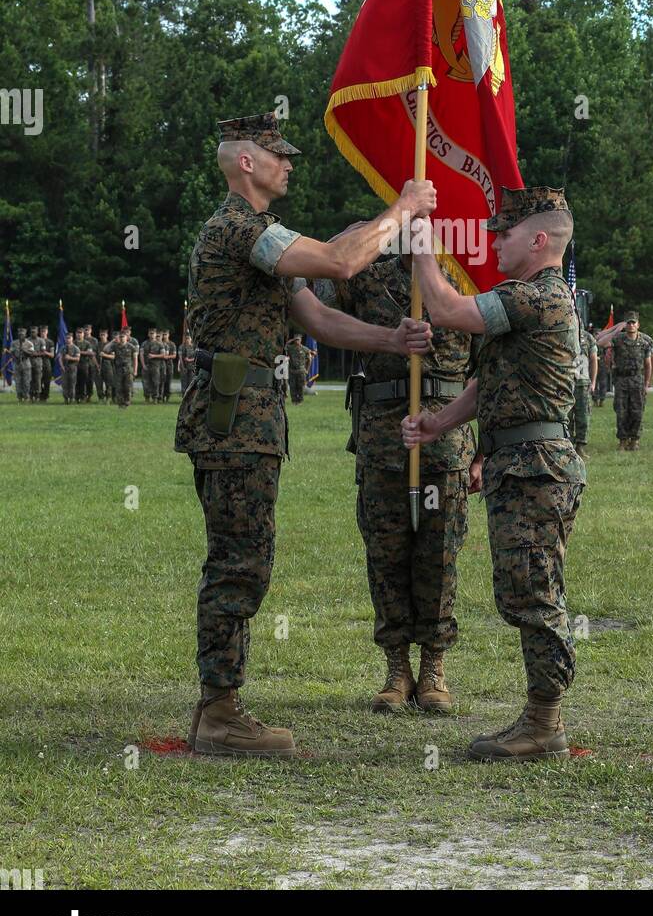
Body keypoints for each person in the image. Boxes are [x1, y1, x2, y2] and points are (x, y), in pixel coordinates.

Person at [175, 111, 436, 759]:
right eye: (277, 155)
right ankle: (220, 711)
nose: (289, 164)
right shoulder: (243, 229)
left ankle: (222, 704)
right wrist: (402, 209)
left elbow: (314, 315)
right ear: (245, 163)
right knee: (238, 561)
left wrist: (388, 338)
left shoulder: (258, 236)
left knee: (246, 558)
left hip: (247, 409)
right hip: (236, 409)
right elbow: (343, 263)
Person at [402, 186, 584, 762]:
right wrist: (439, 422)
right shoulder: (527, 300)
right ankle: (538, 717)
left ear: (538, 240)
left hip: (536, 468)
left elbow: (449, 310)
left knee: (534, 592)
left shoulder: (541, 297)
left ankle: (544, 723)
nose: (492, 243)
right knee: (522, 590)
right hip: (520, 464)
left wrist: (421, 241)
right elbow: (493, 383)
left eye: (503, 234)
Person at [317, 244, 477, 715]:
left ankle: (434, 667)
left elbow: (490, 370)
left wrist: (482, 452)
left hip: (445, 441)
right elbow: (318, 298)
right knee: (385, 555)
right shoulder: (367, 275)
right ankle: (396, 667)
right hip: (382, 438)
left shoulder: (463, 279)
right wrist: (353, 239)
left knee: (439, 554)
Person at [597, 311, 653, 451]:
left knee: (637, 411)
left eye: (633, 322)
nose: (631, 325)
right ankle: (622, 440)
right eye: (628, 323)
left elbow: (648, 365)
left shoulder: (644, 342)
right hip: (621, 379)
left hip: (637, 379)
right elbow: (601, 343)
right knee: (621, 411)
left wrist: (647, 384)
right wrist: (617, 329)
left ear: (638, 325)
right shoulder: (618, 339)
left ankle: (634, 440)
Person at [569, 318, 597, 459]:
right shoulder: (562, 334)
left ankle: (580, 446)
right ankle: (567, 447)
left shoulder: (588, 338)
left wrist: (593, 382)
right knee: (566, 417)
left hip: (583, 383)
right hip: (566, 382)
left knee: (583, 416)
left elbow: (593, 360)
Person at [103, 327, 137, 407]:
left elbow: (135, 360)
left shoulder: (131, 347)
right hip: (118, 369)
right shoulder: (115, 346)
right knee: (119, 387)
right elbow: (105, 350)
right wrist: (112, 341)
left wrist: (135, 370)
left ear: (126, 337)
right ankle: (120, 403)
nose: (122, 338)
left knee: (127, 387)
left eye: (123, 337)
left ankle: (127, 402)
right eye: (120, 337)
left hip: (128, 369)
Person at [286, 334, 312, 405]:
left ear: (301, 340)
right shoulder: (290, 348)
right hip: (292, 371)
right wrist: (290, 340)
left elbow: (309, 360)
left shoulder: (305, 349)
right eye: (295, 339)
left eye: (298, 339)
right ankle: (294, 401)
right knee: (292, 387)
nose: (297, 341)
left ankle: (300, 401)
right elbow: (284, 346)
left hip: (301, 371)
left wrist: (307, 370)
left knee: (301, 387)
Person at [12, 326, 34, 402]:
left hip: (26, 363)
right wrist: (15, 357)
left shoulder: (29, 343)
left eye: (23, 334)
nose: (21, 335)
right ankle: (19, 397)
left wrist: (24, 350)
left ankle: (26, 397)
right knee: (18, 381)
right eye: (20, 334)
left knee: (26, 381)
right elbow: (12, 352)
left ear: (25, 334)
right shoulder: (14, 343)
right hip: (17, 364)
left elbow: (31, 353)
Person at [60, 332, 81, 404]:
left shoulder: (76, 348)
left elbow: (78, 359)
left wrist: (70, 357)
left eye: (69, 338)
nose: (67, 339)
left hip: (72, 368)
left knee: (72, 384)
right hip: (64, 368)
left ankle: (71, 398)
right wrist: (62, 366)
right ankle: (66, 399)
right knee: (64, 384)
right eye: (66, 338)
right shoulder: (63, 347)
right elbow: (60, 358)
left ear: (72, 338)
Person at [98, 328, 115, 404]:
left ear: (107, 335)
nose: (102, 336)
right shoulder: (97, 344)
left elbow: (113, 356)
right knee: (99, 383)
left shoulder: (110, 345)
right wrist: (96, 364)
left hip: (107, 365)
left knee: (109, 383)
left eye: (104, 335)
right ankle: (101, 398)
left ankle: (108, 398)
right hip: (98, 365)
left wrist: (105, 355)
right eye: (101, 335)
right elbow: (93, 355)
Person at [38, 325, 54, 401]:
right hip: (37, 363)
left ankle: (46, 396)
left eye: (44, 331)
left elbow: (52, 355)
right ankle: (40, 396)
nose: (43, 333)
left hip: (46, 364)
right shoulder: (36, 341)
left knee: (47, 382)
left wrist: (45, 353)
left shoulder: (50, 342)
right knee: (38, 381)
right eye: (41, 331)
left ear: (47, 332)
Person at [162, 331, 177, 401]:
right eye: (163, 334)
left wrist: (167, 357)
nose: (164, 336)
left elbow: (174, 355)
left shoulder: (172, 344)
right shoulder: (160, 343)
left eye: (166, 334)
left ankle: (167, 396)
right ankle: (161, 396)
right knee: (161, 381)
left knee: (168, 381)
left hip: (169, 365)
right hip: (161, 365)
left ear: (168, 335)